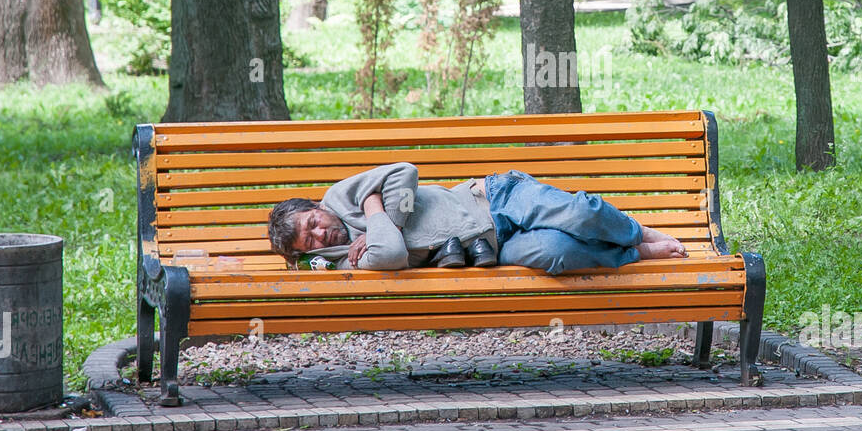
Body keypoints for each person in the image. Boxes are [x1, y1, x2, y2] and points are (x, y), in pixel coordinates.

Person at [266, 163, 687, 276]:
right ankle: (637, 253)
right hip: (496, 248)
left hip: (491, 197)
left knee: (578, 213)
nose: (322, 233)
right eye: (312, 242)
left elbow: (405, 172)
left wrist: (383, 213)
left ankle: (638, 231)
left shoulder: (340, 195)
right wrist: (377, 212)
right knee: (558, 252)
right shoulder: (346, 261)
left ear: (314, 206)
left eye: (312, 222)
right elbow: (392, 253)